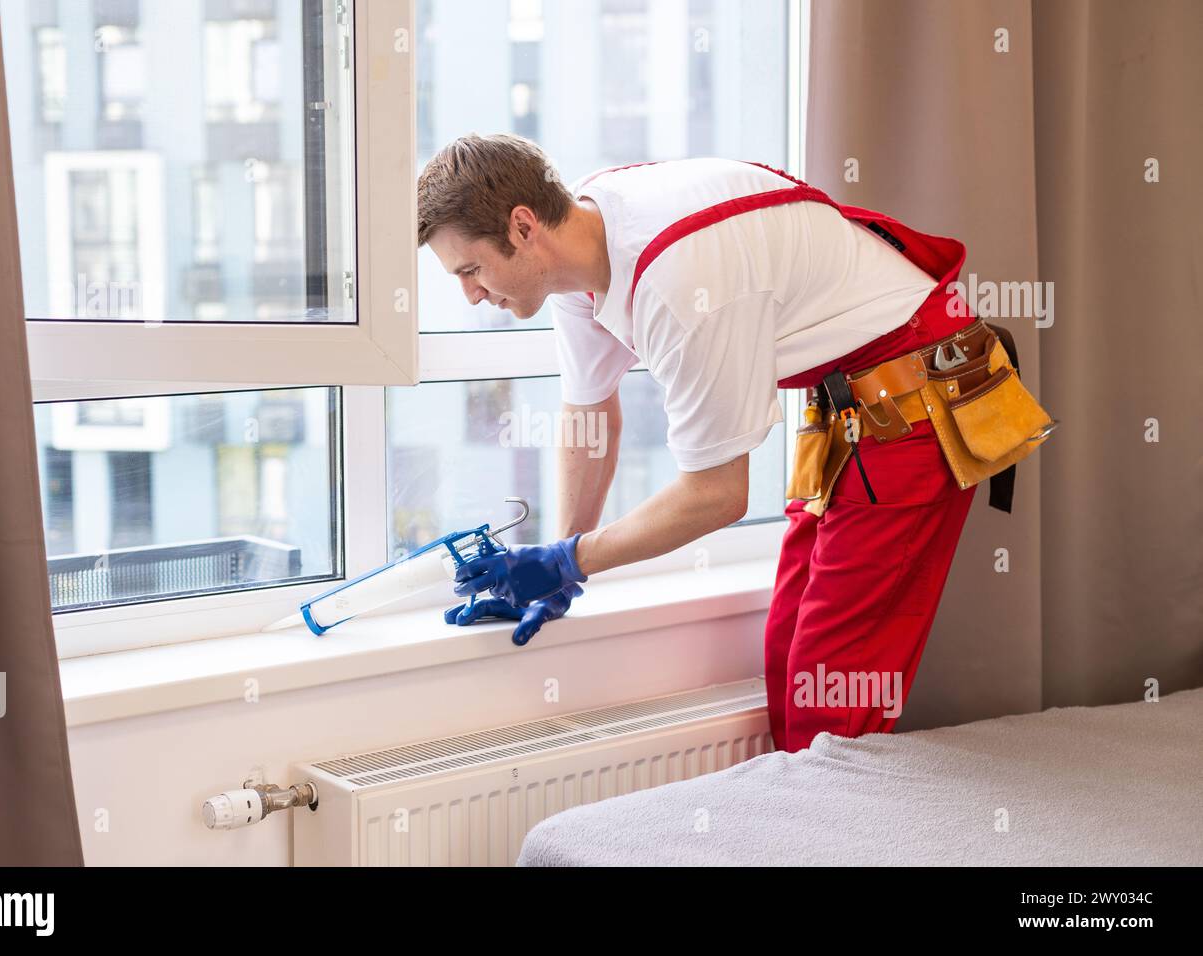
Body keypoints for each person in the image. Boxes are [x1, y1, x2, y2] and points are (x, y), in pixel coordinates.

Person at [417, 132, 985, 752]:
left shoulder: (680, 281)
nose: (470, 294)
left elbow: (717, 495)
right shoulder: (582, 248)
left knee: (831, 682)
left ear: (523, 227)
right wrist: (560, 566)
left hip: (917, 398)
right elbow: (590, 417)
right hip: (849, 402)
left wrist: (570, 561)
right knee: (788, 650)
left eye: (471, 269)